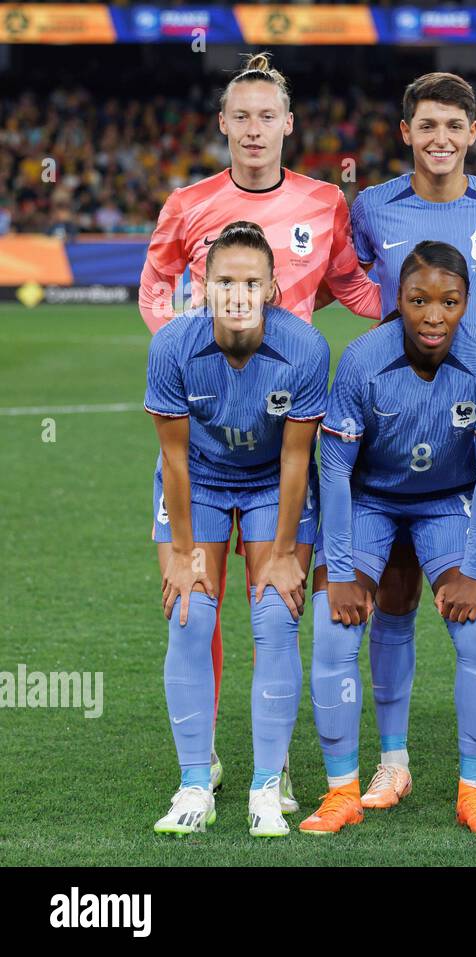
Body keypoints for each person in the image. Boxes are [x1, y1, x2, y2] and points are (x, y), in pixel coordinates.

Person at [138, 53, 380, 810]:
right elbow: (154, 282)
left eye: (264, 115)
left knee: (273, 606)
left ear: (287, 124)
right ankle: (200, 762)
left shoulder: (321, 201)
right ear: (222, 125)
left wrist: (430, 307)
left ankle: (268, 773)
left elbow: (351, 284)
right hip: (211, 410)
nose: (252, 128)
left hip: (289, 417)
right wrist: (187, 349)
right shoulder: (188, 202)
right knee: (193, 602)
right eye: (238, 116)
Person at [346, 72, 476, 810]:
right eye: (427, 125)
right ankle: (393, 761)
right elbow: (352, 286)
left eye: (453, 126)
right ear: (406, 133)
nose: (440, 139)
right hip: (394, 432)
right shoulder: (372, 207)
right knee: (393, 593)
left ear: (474, 133)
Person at [305, 242, 476, 836]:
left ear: (467, 304)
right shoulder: (361, 360)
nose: (432, 315)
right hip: (370, 499)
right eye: (418, 300)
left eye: (449, 302)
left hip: (449, 502)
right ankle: (343, 789)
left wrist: (475, 570)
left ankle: (475, 789)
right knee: (332, 624)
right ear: (396, 300)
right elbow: (336, 470)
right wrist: (342, 570)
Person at [146, 221, 328, 837]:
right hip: (196, 480)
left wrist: (281, 552)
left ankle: (266, 786)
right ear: (203, 284)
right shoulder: (172, 346)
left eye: (251, 281)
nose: (238, 293)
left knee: (276, 616)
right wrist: (178, 551)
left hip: (271, 484)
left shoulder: (305, 349)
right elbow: (172, 458)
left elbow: (297, 459)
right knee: (190, 615)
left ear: (273, 287)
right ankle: (196, 782)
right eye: (225, 280)